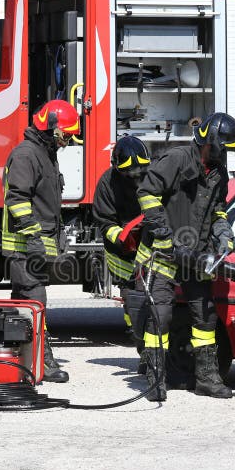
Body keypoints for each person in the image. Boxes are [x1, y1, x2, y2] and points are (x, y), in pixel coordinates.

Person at [135, 112, 235, 401]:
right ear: (210, 143)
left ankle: (206, 378)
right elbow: (147, 194)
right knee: (161, 314)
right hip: (165, 252)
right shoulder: (177, 159)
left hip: (197, 254)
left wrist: (223, 234)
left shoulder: (219, 173)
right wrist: (164, 235)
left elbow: (219, 210)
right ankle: (155, 378)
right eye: (225, 149)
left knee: (205, 315)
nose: (227, 155)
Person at [1, 99, 81, 383]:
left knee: (24, 303)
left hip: (34, 245)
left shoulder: (44, 153)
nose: (68, 141)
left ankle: (20, 358)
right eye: (66, 135)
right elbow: (17, 200)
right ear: (51, 128)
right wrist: (33, 236)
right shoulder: (26, 155)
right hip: (26, 246)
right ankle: (42, 362)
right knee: (36, 302)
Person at [92, 136, 150, 373]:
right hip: (122, 255)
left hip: (148, 250)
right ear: (117, 167)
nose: (136, 176)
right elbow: (105, 223)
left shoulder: (152, 176)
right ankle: (144, 350)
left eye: (140, 171)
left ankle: (156, 350)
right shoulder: (107, 184)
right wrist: (125, 237)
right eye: (130, 173)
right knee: (133, 303)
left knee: (156, 301)